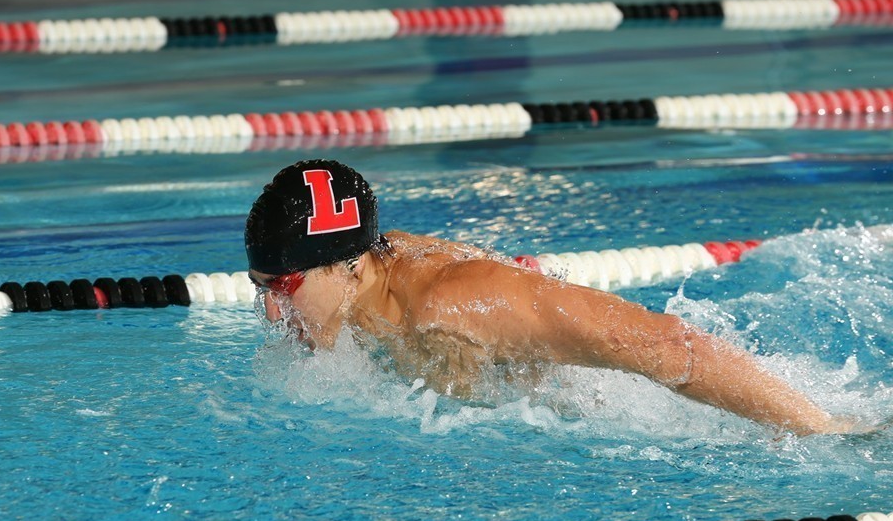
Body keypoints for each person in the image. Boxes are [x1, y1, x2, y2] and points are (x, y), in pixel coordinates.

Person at [245, 159, 859, 436]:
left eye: (285, 286)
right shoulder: (360, 284)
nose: (273, 311)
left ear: (349, 266)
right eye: (261, 288)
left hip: (610, 413)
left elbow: (668, 346)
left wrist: (823, 429)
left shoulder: (455, 305)